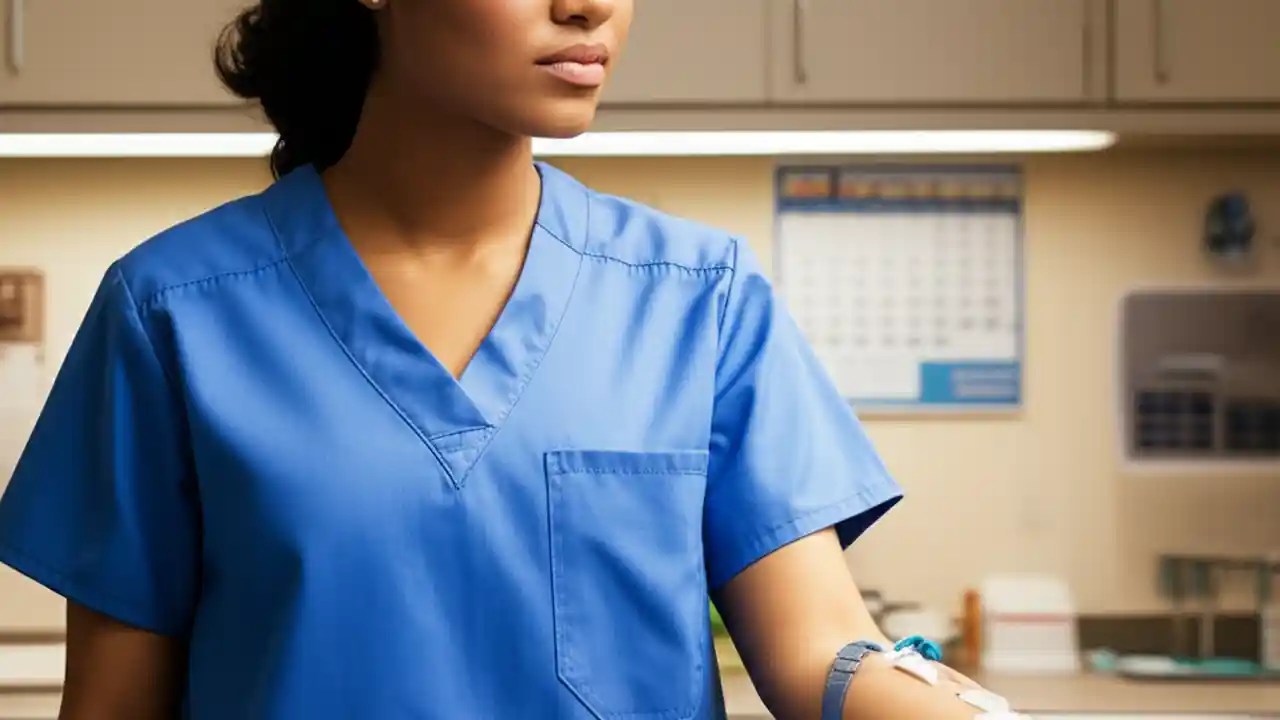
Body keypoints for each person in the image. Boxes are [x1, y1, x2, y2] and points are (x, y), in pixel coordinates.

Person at [0, 1, 1009, 718]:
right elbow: (114, 702)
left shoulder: (697, 297)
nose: (588, 9)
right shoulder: (173, 311)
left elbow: (819, 651)